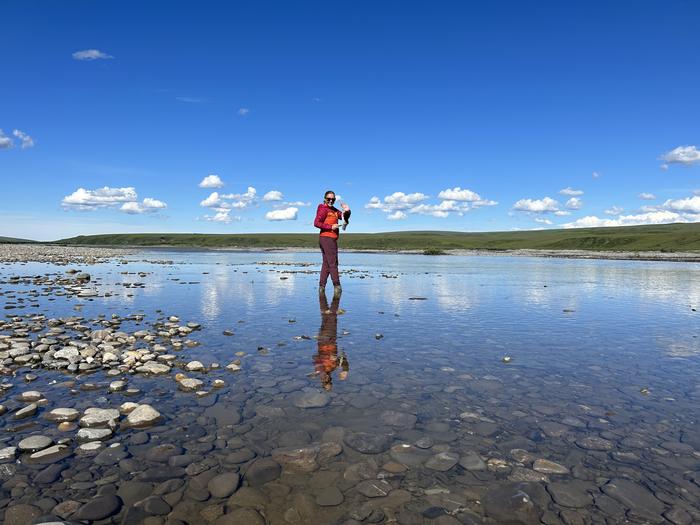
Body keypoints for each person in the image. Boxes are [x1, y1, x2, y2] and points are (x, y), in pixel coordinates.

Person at [314, 190, 350, 295]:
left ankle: (321, 288)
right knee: (333, 263)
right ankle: (337, 287)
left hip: (330, 239)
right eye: (328, 199)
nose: (330, 201)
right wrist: (330, 226)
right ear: (324, 198)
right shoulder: (323, 209)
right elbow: (316, 223)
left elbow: (344, 217)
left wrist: (348, 211)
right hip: (327, 238)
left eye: (333, 199)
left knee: (326, 263)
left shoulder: (334, 210)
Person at [312, 289, 349, 391]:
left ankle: (327, 296)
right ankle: (324, 296)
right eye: (329, 381)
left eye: (326, 381)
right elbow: (344, 358)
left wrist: (329, 356)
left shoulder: (319, 369)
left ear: (322, 381)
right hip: (331, 339)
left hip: (324, 340)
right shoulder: (333, 367)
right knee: (328, 317)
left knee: (330, 316)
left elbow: (315, 357)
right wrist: (345, 370)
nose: (327, 379)